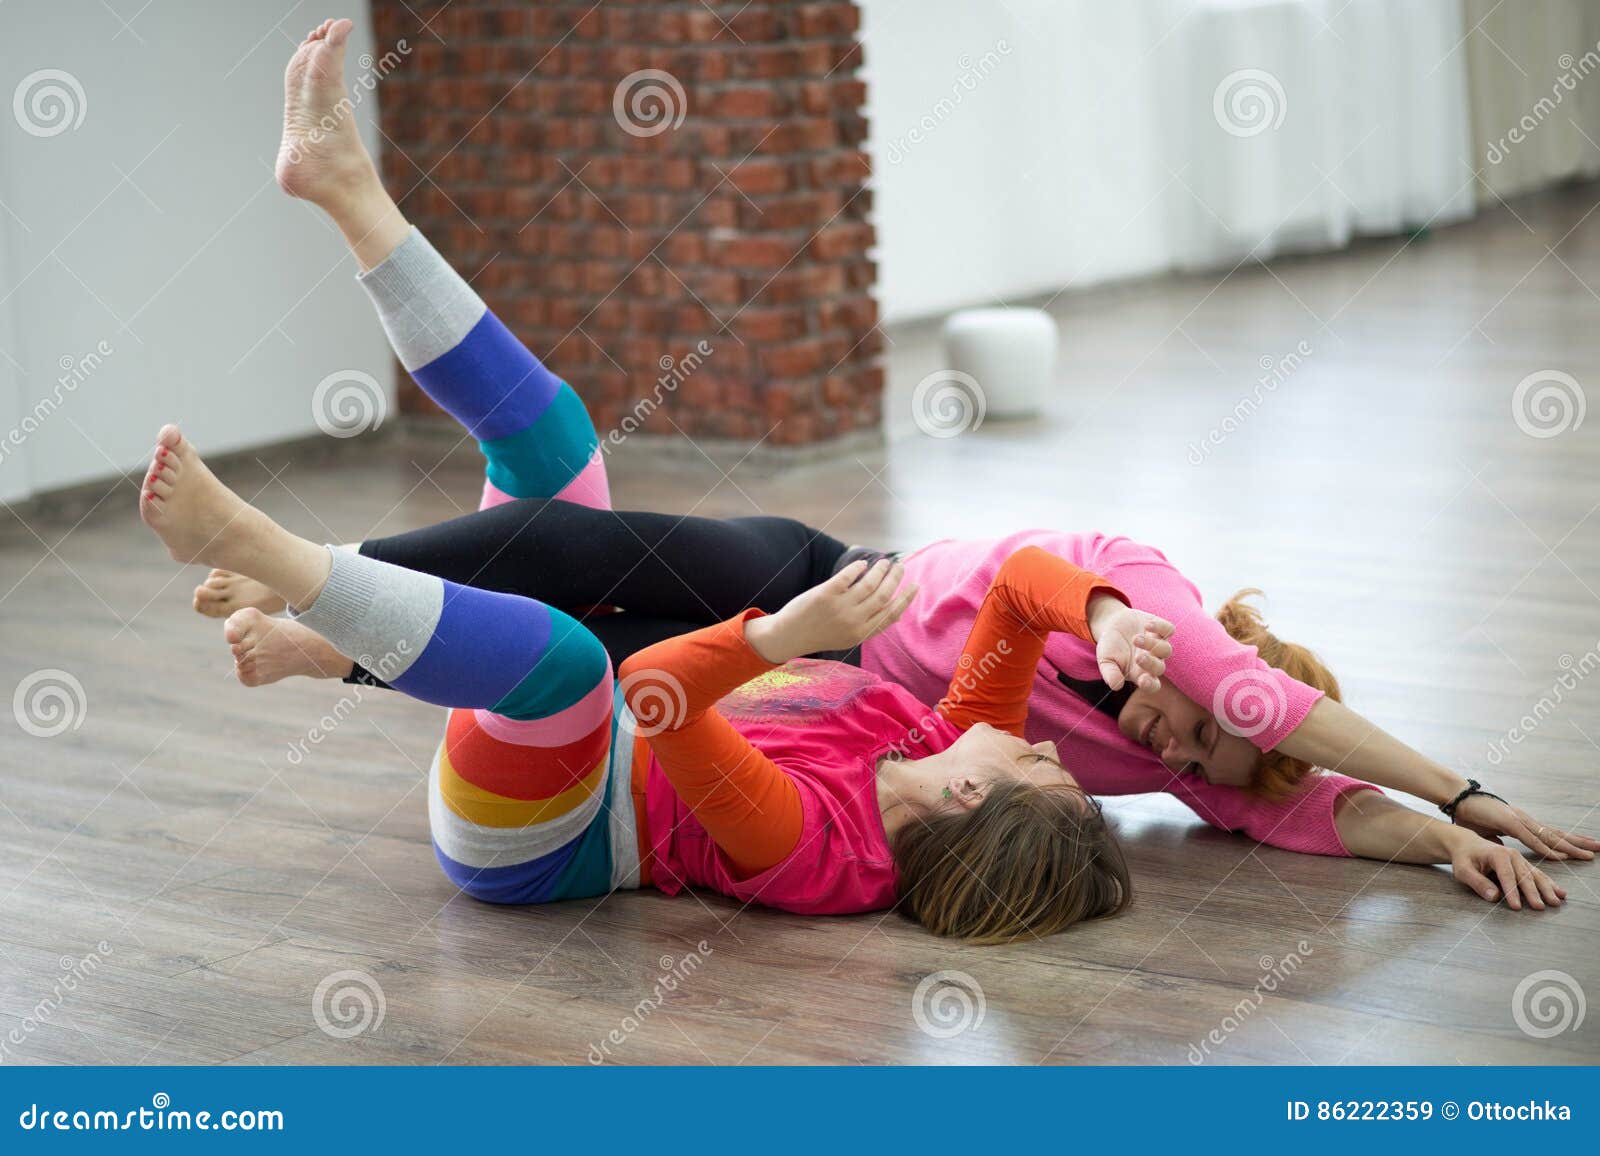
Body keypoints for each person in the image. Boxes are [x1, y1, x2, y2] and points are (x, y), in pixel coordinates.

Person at [198, 18, 1585, 915]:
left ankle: (315, 591)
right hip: (826, 603)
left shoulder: (869, 833)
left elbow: (1317, 817)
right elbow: (1039, 591)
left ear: (985, 798)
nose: (1110, 753)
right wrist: (1461, 788)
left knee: (568, 624)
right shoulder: (1142, 641)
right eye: (1217, 726)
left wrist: (1442, 845)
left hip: (713, 736)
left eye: (1189, 758)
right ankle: (346, 199)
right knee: (560, 472)